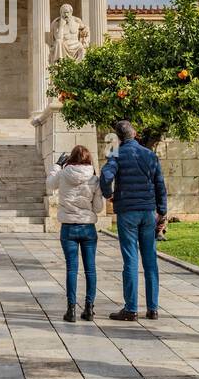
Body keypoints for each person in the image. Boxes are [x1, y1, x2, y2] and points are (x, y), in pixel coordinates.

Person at [100, 120, 167, 321]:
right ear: (135, 133)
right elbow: (160, 184)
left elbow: (105, 176)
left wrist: (108, 194)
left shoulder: (116, 154)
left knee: (130, 260)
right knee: (150, 261)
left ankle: (131, 308)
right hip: (148, 212)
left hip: (127, 212)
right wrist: (162, 211)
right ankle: (153, 308)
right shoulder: (149, 154)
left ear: (118, 138)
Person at [48, 145, 105, 322]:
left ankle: (71, 309)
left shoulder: (63, 174)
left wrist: (57, 165)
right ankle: (89, 308)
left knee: (71, 269)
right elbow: (98, 207)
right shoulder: (94, 179)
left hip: (69, 226)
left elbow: (49, 184)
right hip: (88, 227)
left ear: (70, 158)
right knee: (90, 269)